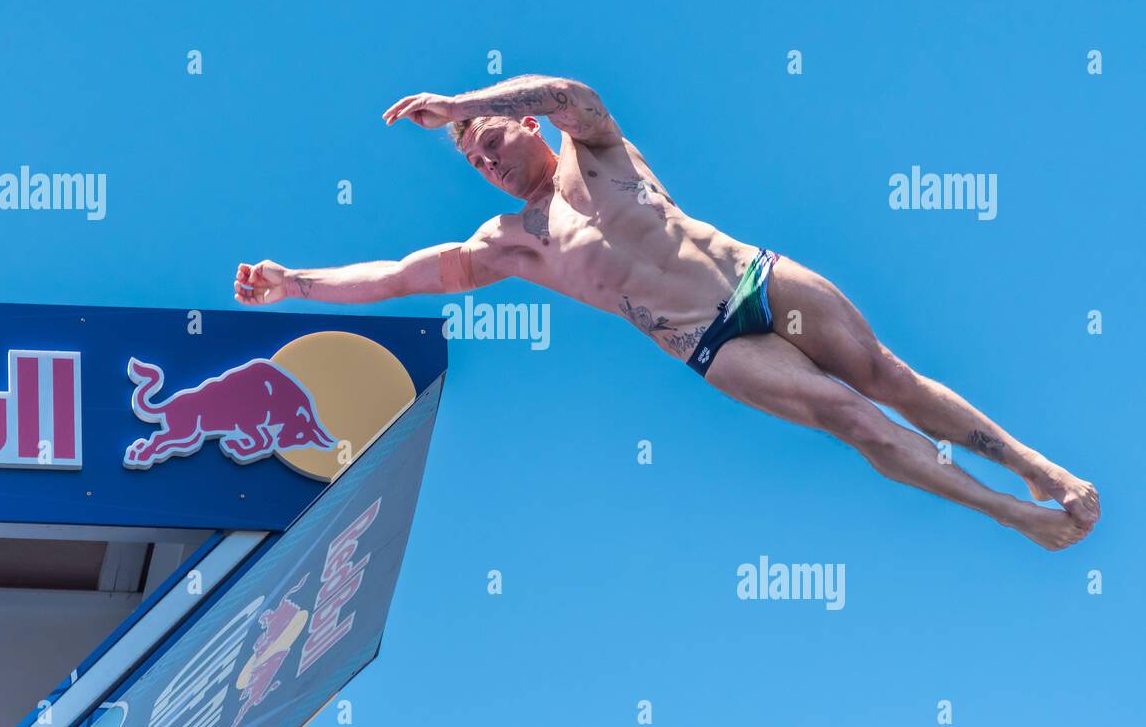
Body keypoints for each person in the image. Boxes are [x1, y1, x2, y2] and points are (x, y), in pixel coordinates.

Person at [235, 75, 1098, 550]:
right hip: (707, 342)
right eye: (475, 160)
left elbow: (567, 86)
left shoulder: (593, 145)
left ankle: (1034, 468)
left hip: (753, 279)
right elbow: (395, 276)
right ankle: (1016, 517)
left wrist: (462, 105)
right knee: (856, 421)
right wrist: (294, 280)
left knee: (887, 378)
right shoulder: (510, 241)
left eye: (495, 138)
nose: (489, 159)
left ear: (525, 124)